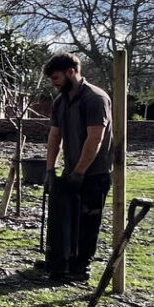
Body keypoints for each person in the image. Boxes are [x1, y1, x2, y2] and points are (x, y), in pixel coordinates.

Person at [41, 53, 114, 283]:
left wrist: (81, 172)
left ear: (72, 71)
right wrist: (50, 170)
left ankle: (81, 267)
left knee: (88, 222)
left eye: (57, 77)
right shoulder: (60, 102)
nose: (54, 82)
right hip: (71, 171)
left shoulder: (95, 98)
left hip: (95, 173)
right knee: (67, 219)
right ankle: (62, 261)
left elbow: (95, 139)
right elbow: (55, 136)